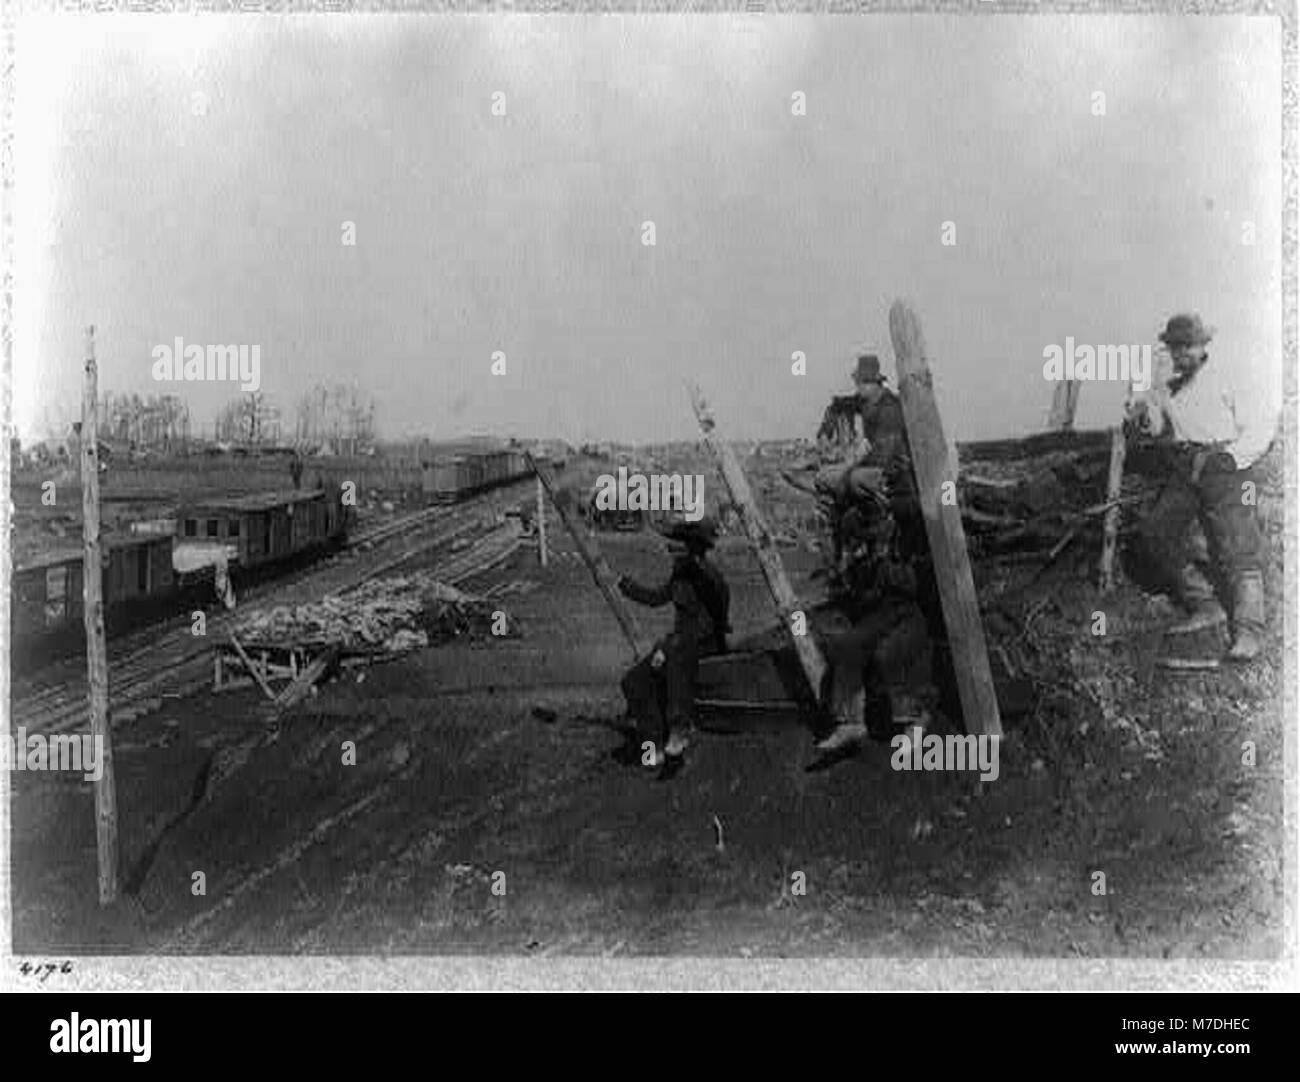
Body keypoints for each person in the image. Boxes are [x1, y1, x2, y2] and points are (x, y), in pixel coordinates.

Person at [813, 352, 962, 752]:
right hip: (885, 607)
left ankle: (914, 723)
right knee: (848, 645)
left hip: (910, 608)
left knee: (891, 653)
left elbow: (923, 577)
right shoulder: (874, 523)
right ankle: (849, 722)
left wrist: (886, 570)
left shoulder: (917, 522)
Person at [1127, 313, 1277, 661]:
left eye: (1187, 347)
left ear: (1202, 346)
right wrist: (1142, 414)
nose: (1180, 355)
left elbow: (1261, 426)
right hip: (1186, 466)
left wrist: (1231, 457)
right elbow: (1156, 427)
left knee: (1238, 546)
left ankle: (1249, 631)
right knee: (1154, 535)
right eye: (1174, 348)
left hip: (1226, 466)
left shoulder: (1227, 376)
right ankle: (1205, 603)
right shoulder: (1167, 387)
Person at [616, 517, 730, 771]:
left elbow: (709, 629)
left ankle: (680, 728)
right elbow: (657, 598)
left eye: (677, 545)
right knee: (632, 682)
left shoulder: (712, 582)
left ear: (693, 549)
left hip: (702, 647)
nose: (670, 550)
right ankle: (652, 746)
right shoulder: (680, 574)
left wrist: (666, 650)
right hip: (679, 644)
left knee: (674, 663)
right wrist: (627, 587)